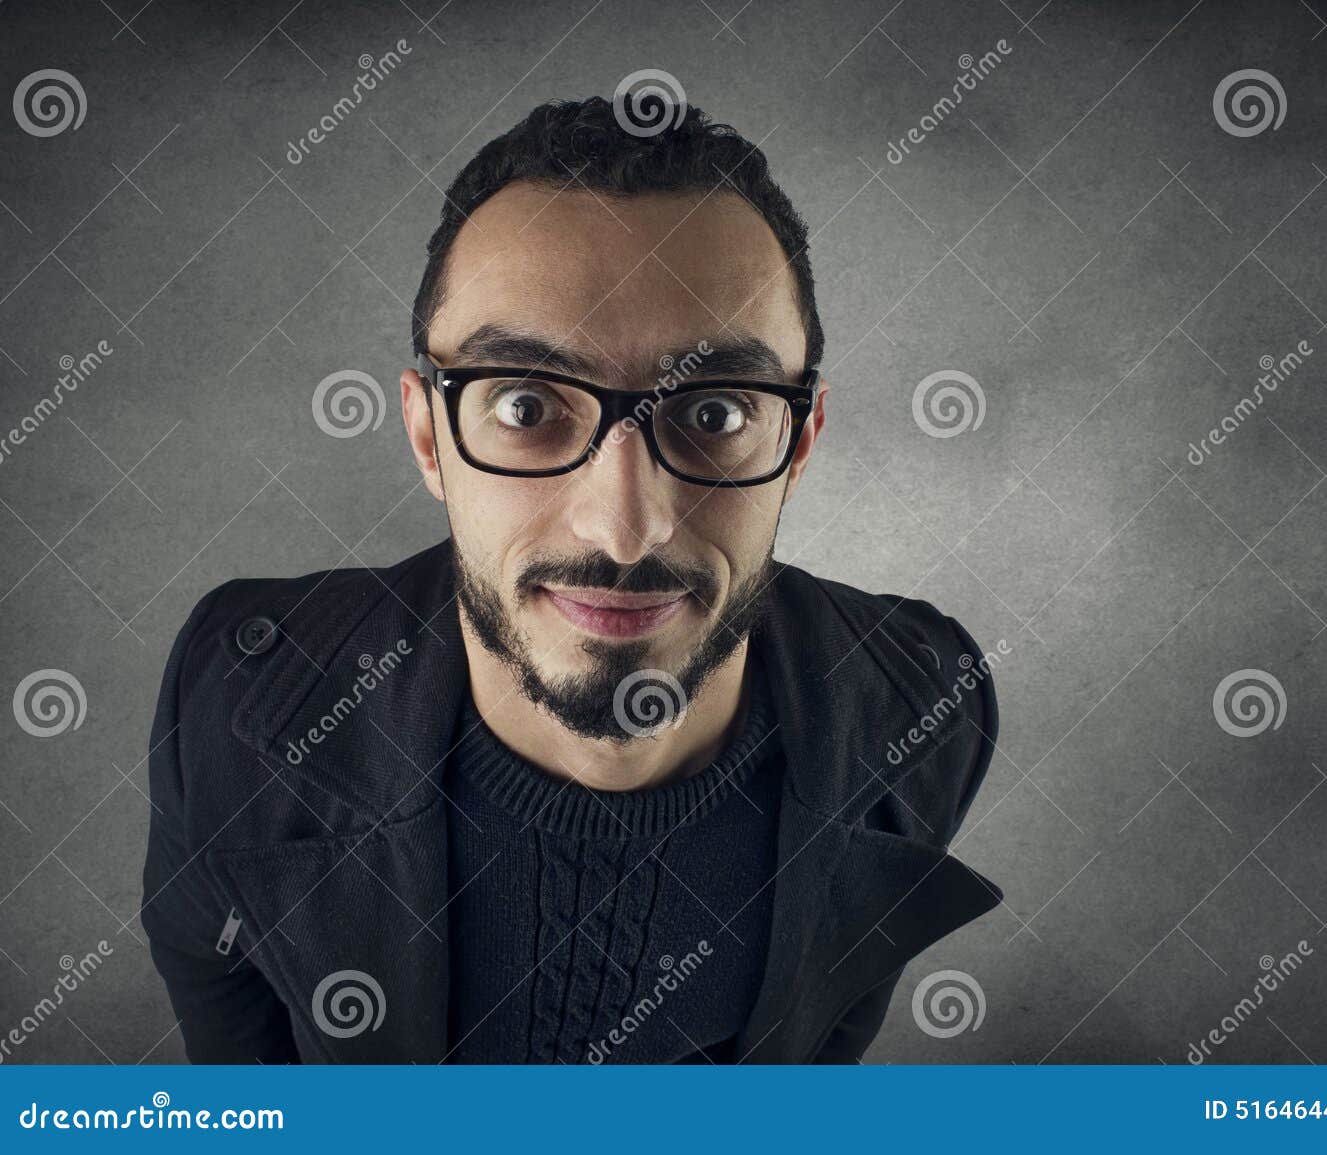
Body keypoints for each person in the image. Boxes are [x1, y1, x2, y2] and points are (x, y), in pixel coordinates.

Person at [140, 94, 1001, 1064]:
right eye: (524, 404)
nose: (625, 528)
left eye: (715, 413)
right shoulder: (238, 686)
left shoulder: (928, 701)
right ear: (427, 436)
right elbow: (224, 1012)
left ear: (798, 443)